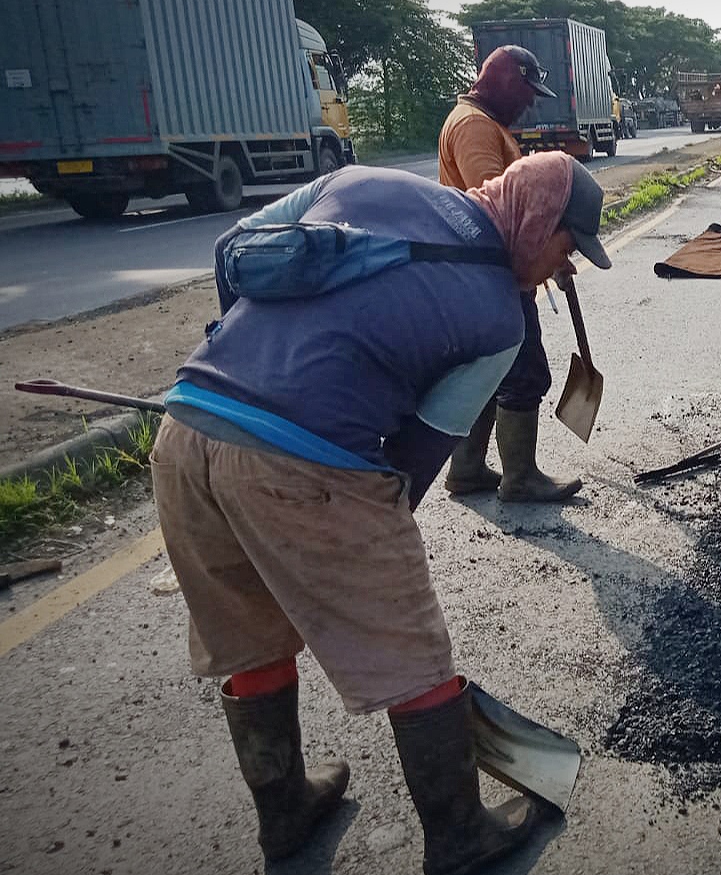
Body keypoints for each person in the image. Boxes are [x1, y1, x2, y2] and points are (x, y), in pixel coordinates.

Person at [150, 156, 611, 873]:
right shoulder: (499, 322)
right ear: (540, 220)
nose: (565, 267)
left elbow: (232, 248)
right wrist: (374, 551)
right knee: (409, 647)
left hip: (186, 432)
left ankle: (285, 813)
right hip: (304, 461)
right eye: (568, 246)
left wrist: (254, 370)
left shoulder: (362, 182)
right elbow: (416, 458)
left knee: (248, 632)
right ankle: (459, 834)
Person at [438, 45, 582, 503]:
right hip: (494, 275)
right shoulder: (474, 127)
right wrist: (544, 257)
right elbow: (499, 209)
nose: (530, 103)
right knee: (523, 373)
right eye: (527, 91)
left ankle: (466, 469)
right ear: (504, 81)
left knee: (487, 373)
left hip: (481, 272)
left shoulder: (481, 122)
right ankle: (520, 477)